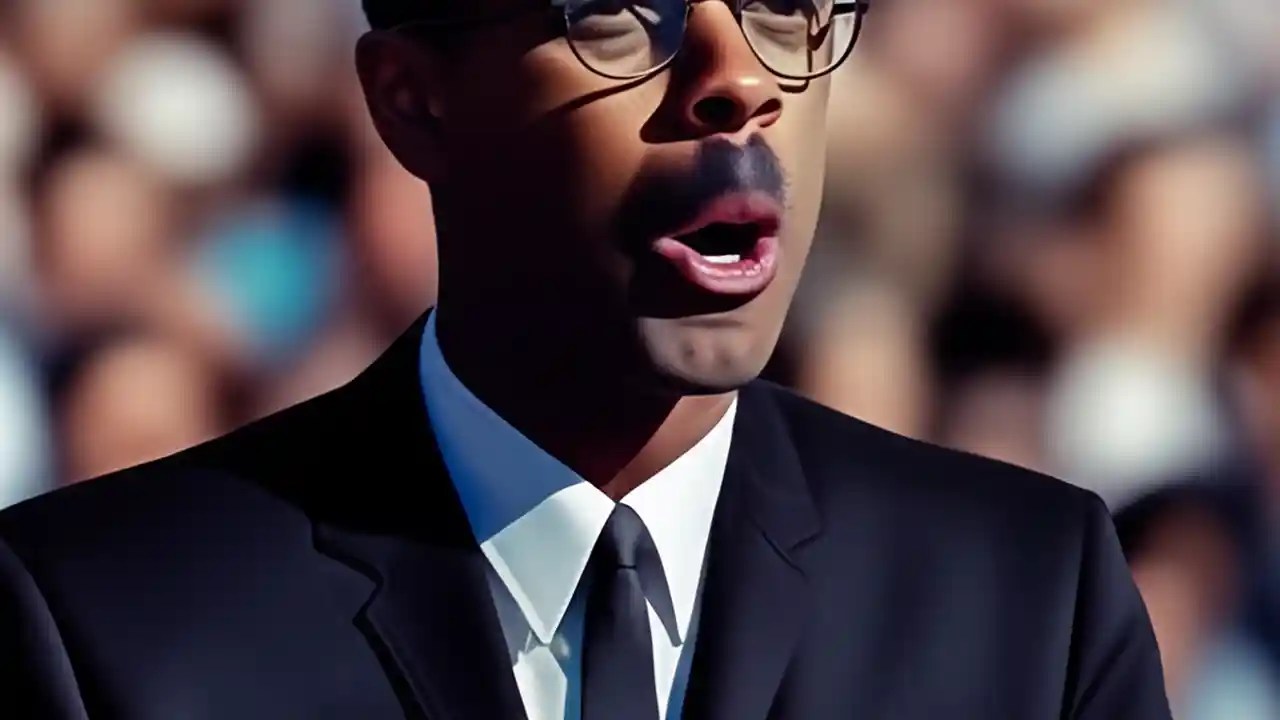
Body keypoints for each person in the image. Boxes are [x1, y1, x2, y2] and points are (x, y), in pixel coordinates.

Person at [0, 0, 1171, 718]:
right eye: (615, 14)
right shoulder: (109, 622)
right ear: (413, 104)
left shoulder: (1028, 603)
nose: (739, 80)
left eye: (783, 8)